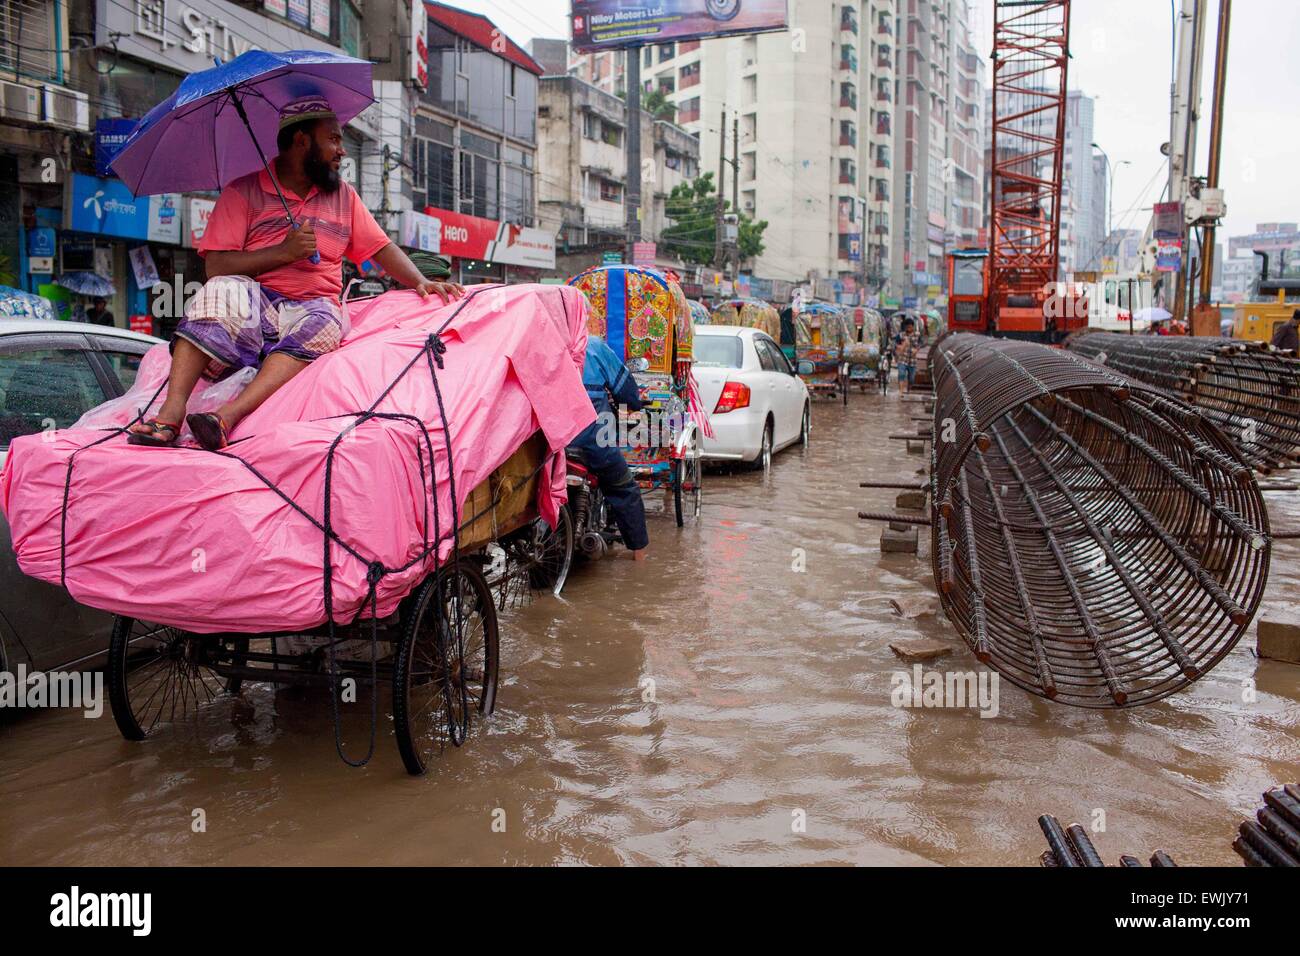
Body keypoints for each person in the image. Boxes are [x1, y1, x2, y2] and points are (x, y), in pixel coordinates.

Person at [128, 95, 462, 449]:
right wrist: (283, 253)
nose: (342, 151)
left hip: (313, 310)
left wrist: (422, 282)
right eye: (333, 139)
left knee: (325, 320)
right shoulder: (243, 192)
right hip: (253, 313)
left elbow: (380, 247)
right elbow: (216, 266)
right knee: (220, 289)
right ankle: (170, 412)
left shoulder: (344, 197)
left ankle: (226, 417)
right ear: (302, 141)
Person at [568, 336, 649, 560]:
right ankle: (640, 557)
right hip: (593, 442)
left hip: (550, 444)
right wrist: (634, 404)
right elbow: (625, 388)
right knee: (624, 489)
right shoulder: (592, 346)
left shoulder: (543, 342)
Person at [896, 319, 919, 393]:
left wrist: (916, 350)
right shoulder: (900, 335)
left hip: (912, 360)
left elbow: (921, 344)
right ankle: (901, 391)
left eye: (910, 327)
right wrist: (902, 346)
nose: (908, 328)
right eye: (907, 327)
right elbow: (896, 345)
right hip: (903, 359)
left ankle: (909, 389)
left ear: (913, 327)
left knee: (911, 378)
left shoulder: (917, 335)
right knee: (901, 374)